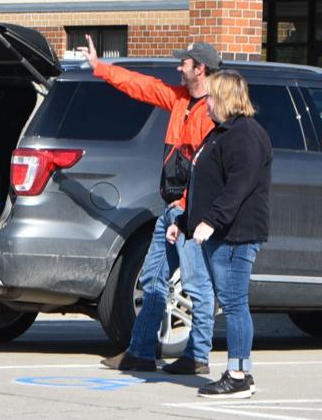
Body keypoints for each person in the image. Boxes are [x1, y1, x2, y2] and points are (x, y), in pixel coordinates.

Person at [83, 36, 218, 375]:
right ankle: (141, 351)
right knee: (153, 280)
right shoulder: (179, 99)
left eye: (184, 63)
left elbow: (209, 172)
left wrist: (188, 210)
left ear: (200, 69)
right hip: (171, 208)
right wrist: (101, 67)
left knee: (196, 285)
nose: (178, 67)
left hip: (191, 212)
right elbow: (142, 86)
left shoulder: (214, 111)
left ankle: (198, 355)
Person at [167, 69, 272, 399]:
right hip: (221, 233)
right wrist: (184, 222)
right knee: (232, 302)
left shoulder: (244, 135)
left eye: (211, 96)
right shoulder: (222, 133)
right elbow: (206, 185)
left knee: (234, 303)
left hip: (236, 235)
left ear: (225, 98)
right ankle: (242, 372)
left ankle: (238, 375)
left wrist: (212, 221)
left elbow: (238, 187)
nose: (206, 102)